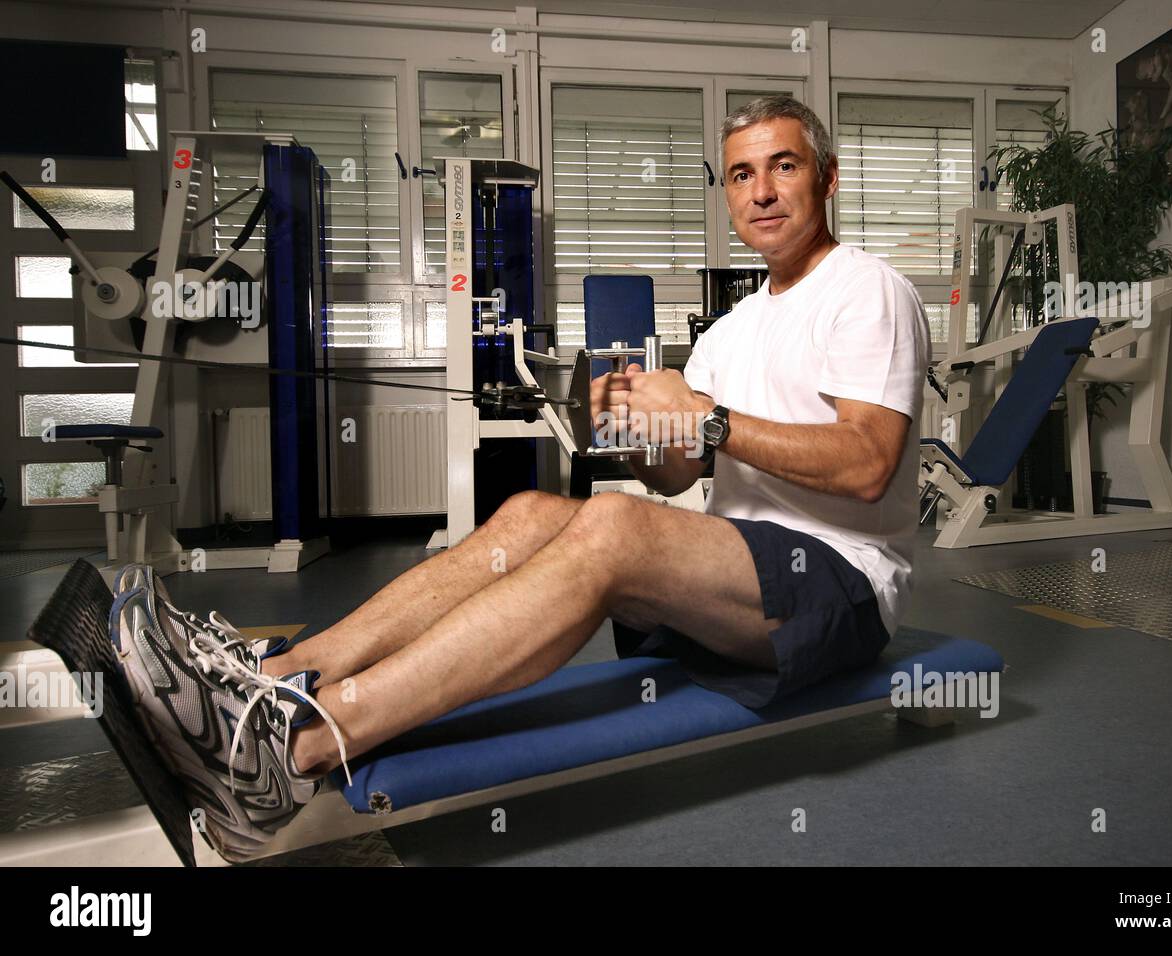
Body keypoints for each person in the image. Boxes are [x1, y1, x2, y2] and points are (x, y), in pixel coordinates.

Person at [110, 95, 931, 860]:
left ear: (825, 177)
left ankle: (296, 753)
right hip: (734, 576)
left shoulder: (867, 291)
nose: (761, 191)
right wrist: (630, 427)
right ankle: (274, 680)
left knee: (610, 525)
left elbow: (866, 466)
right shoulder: (729, 329)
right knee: (537, 510)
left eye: (783, 166)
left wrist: (708, 415)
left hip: (836, 585)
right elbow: (682, 475)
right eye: (743, 174)